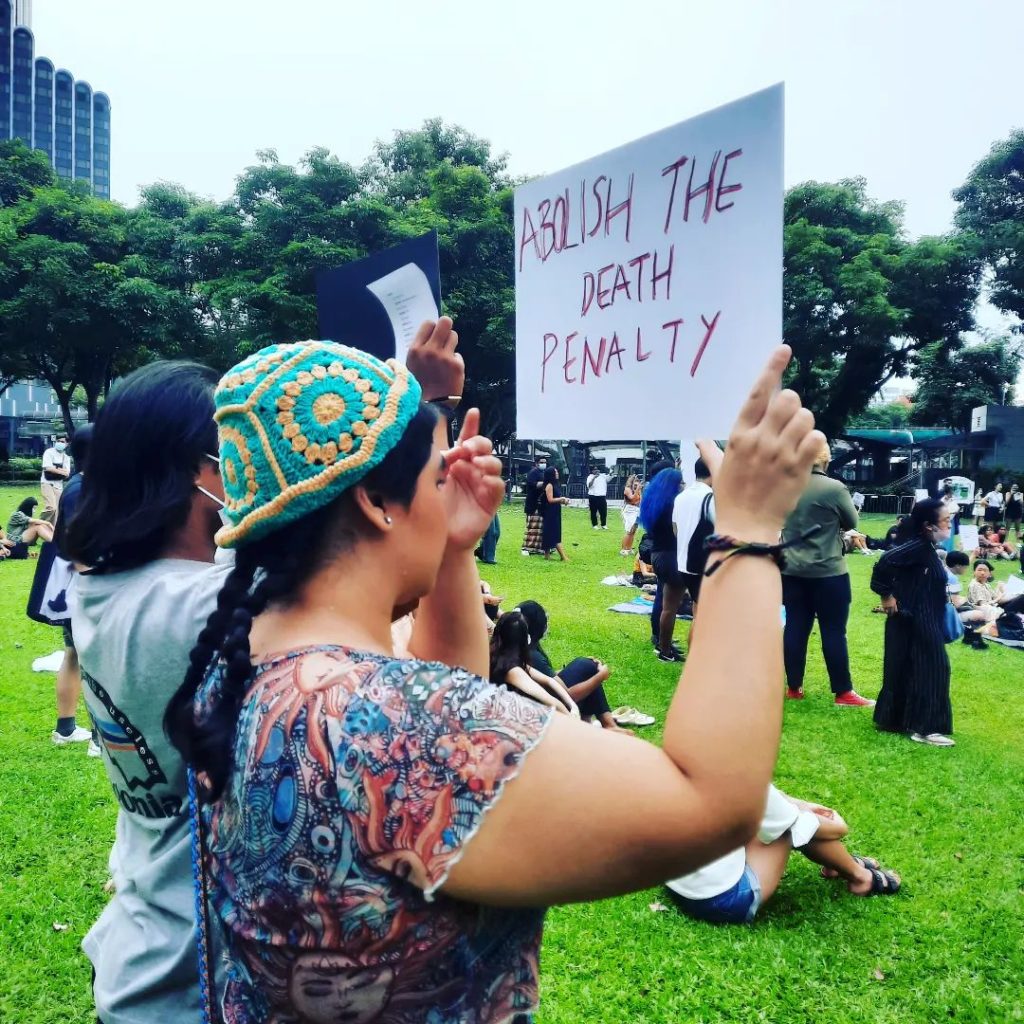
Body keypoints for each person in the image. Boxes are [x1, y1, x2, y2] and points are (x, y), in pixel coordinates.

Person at [163, 342, 824, 1023]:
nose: (444, 493)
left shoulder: (239, 664)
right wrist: (746, 532)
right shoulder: (392, 721)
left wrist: (452, 551)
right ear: (374, 500)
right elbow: (712, 807)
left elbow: (433, 726)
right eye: (433, 481)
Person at [66, 318, 469, 1024]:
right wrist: (416, 421)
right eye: (237, 454)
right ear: (199, 470)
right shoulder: (201, 611)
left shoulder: (101, 590)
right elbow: (413, 652)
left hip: (140, 944)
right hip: (192, 980)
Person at [666, 786, 900, 923]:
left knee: (777, 819)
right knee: (790, 829)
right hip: (719, 901)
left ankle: (840, 864)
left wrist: (797, 803)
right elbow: (798, 825)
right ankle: (860, 877)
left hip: (677, 882)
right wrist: (840, 825)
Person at [780, 443, 874, 707]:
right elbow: (852, 523)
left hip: (791, 570)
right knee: (833, 630)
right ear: (825, 461)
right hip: (828, 570)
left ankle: (794, 687)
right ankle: (843, 692)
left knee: (796, 626)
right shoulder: (834, 488)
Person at [871, 498, 955, 747]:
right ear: (929, 525)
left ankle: (895, 719)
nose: (949, 526)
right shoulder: (917, 546)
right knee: (935, 669)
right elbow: (885, 562)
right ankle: (925, 728)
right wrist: (886, 595)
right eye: (946, 521)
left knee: (906, 668)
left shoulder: (924, 547)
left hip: (914, 616)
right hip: (918, 618)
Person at [516, 599, 634, 732]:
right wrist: (600, 676)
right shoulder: (532, 656)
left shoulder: (520, 645)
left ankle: (597, 722)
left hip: (534, 704)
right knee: (588, 667)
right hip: (540, 713)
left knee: (586, 667)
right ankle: (606, 724)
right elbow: (567, 696)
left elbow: (545, 676)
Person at [49, 425, 97, 750]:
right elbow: (81, 547)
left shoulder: (79, 486)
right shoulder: (82, 490)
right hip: (84, 587)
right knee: (91, 657)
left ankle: (66, 728)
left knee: (76, 654)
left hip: (77, 585)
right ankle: (97, 737)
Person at [490, 610, 580, 716]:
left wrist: (572, 704)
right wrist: (571, 718)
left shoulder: (497, 654)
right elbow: (549, 700)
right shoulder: (513, 670)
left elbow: (549, 680)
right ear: (523, 639)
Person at [640, 467, 686, 662]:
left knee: (666, 602)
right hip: (671, 555)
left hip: (658, 555)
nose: (683, 485)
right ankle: (664, 648)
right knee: (671, 606)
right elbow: (678, 532)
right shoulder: (673, 505)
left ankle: (663, 645)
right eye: (681, 482)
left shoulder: (654, 503)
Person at [672, 458, 716, 648]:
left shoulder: (681, 496)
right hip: (705, 564)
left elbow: (675, 529)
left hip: (684, 562)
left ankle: (695, 661)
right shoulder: (713, 498)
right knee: (704, 616)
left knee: (700, 612)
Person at [540, 464, 570, 561]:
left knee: (550, 532)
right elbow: (550, 499)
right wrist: (561, 499)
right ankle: (563, 556)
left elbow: (555, 499)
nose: (557, 473)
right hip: (550, 511)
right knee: (554, 533)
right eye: (555, 472)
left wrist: (563, 501)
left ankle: (547, 555)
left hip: (555, 510)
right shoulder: (549, 485)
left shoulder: (555, 484)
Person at [40, 433, 71, 522]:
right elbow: (47, 467)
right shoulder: (49, 452)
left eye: (62, 441)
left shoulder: (66, 457)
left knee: (57, 512)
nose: (59, 443)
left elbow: (67, 473)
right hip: (47, 483)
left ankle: (52, 533)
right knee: (51, 508)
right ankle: (39, 524)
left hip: (58, 486)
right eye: (58, 441)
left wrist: (54, 469)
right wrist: (60, 470)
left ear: (67, 444)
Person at [521, 454, 547, 556]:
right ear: (536, 463)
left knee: (540, 528)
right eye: (542, 462)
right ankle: (526, 548)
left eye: (545, 462)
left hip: (541, 504)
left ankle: (538, 548)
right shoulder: (533, 472)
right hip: (533, 503)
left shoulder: (544, 472)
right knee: (532, 527)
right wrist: (545, 483)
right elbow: (532, 484)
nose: (544, 464)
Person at [619, 473, 642, 555]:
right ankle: (623, 549)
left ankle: (629, 548)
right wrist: (637, 490)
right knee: (629, 530)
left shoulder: (638, 489)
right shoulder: (627, 489)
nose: (637, 483)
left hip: (636, 510)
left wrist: (639, 491)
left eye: (638, 482)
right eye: (636, 481)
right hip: (629, 510)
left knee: (633, 530)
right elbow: (632, 499)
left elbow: (640, 500)